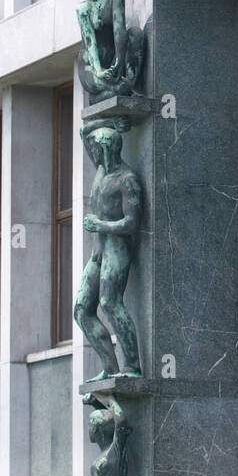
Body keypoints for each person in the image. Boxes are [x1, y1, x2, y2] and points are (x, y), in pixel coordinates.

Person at [75, 122, 143, 377]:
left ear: (107, 150)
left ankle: (132, 367)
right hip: (98, 250)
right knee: (81, 310)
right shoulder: (101, 170)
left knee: (109, 302)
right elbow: (84, 132)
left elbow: (132, 222)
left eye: (96, 148)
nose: (91, 152)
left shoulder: (127, 181)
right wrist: (111, 122)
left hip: (117, 247)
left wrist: (100, 224)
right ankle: (109, 366)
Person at [76, 0, 145, 101]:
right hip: (91, 66)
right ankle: (108, 95)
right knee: (115, 87)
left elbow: (119, 30)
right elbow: (90, 42)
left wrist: (119, 61)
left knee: (135, 33)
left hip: (114, 61)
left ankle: (128, 85)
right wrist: (98, 71)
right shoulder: (83, 8)